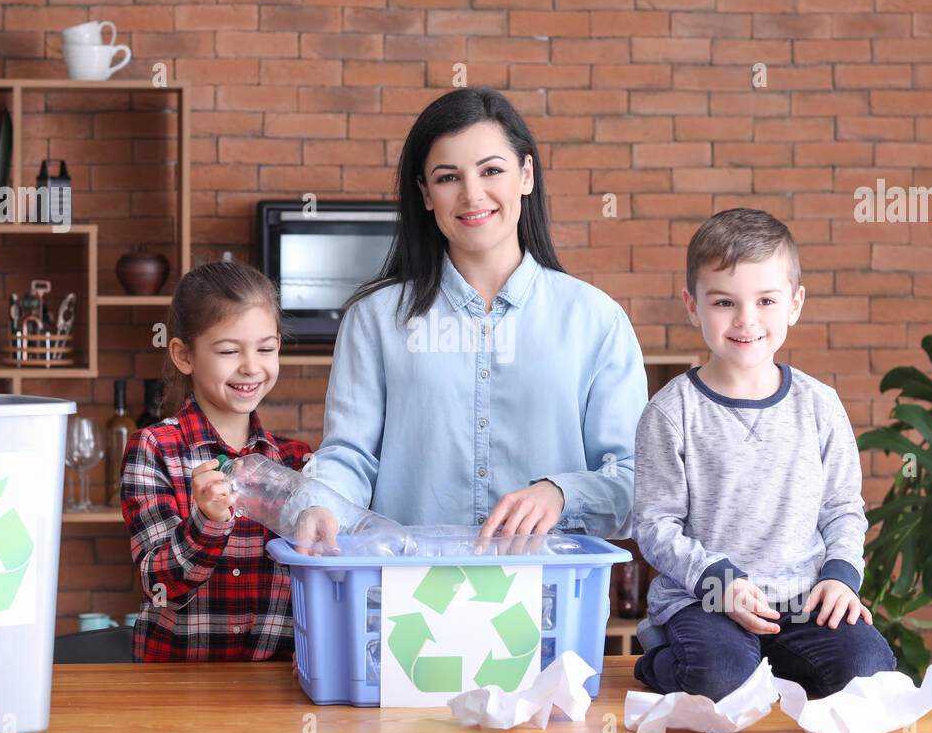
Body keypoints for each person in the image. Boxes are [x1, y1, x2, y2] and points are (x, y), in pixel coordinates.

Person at [309, 87, 647, 551]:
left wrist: (561, 493)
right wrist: (320, 504)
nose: (472, 195)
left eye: (491, 171)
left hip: (548, 596)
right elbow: (349, 456)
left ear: (526, 175)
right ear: (425, 193)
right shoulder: (374, 319)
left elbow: (635, 485)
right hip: (408, 594)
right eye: (448, 178)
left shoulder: (598, 321)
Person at [632, 208, 896, 700]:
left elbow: (842, 508)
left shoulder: (820, 405)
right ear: (693, 307)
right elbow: (654, 525)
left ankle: (772, 671)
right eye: (724, 302)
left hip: (803, 598)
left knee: (870, 670)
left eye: (766, 300)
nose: (746, 320)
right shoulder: (670, 411)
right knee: (719, 681)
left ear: (795, 303)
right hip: (706, 598)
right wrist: (718, 580)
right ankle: (661, 660)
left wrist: (841, 577)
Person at [119, 260, 316, 661]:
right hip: (173, 689)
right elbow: (159, 582)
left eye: (266, 348)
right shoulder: (153, 448)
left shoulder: (297, 461)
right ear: (183, 355)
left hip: (272, 689)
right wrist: (206, 524)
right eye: (229, 350)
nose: (251, 366)